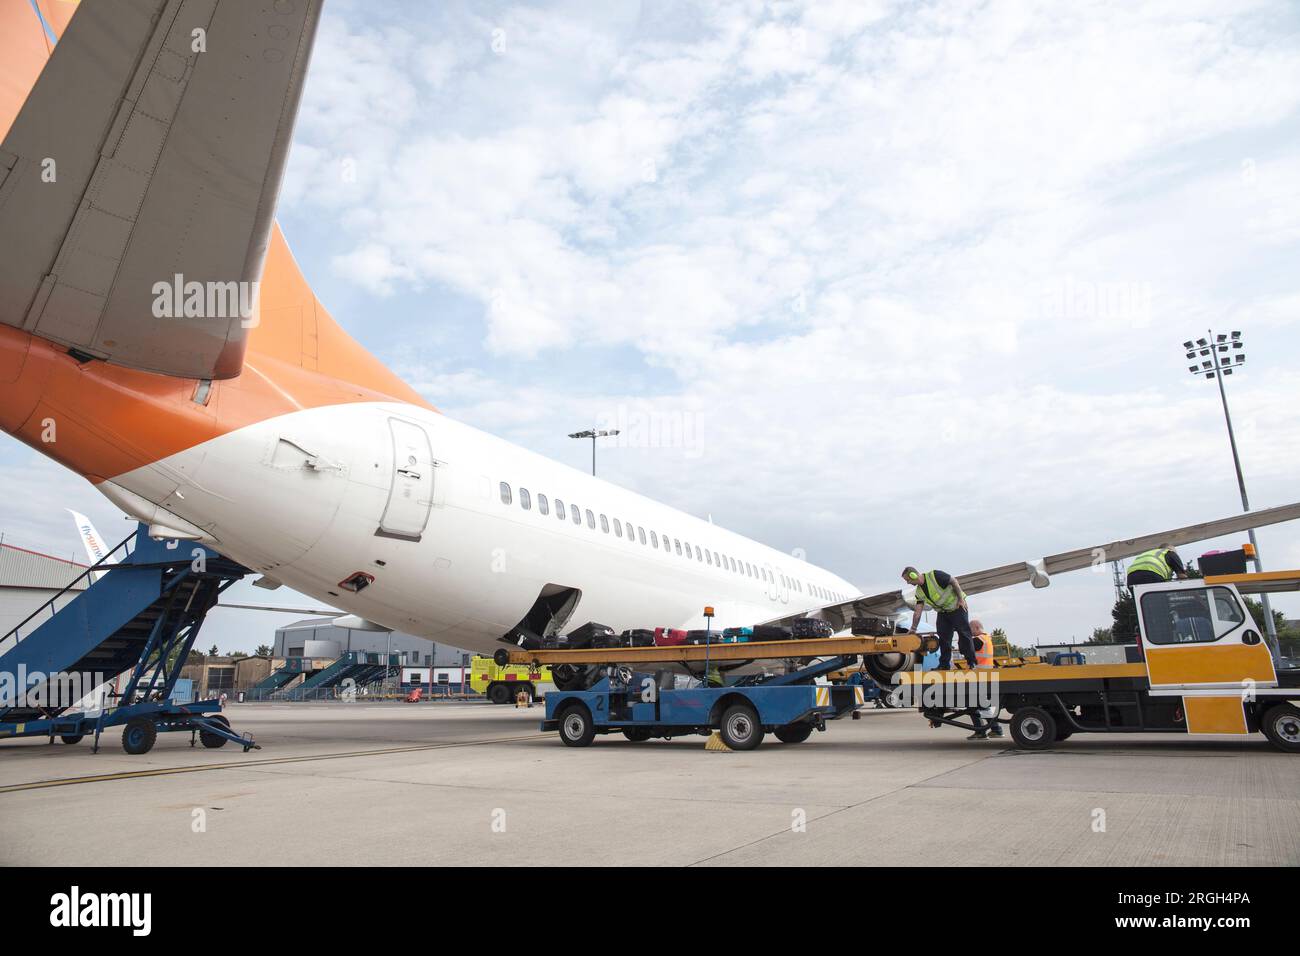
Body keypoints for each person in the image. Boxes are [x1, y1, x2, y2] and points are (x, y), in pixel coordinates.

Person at [903, 567, 978, 670]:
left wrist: (961, 599)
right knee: (944, 639)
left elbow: (953, 581)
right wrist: (913, 628)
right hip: (943, 613)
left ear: (913, 575)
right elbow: (918, 612)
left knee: (964, 634)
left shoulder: (934, 576)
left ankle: (971, 662)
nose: (908, 583)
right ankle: (944, 665)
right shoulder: (919, 592)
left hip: (956, 607)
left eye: (907, 580)